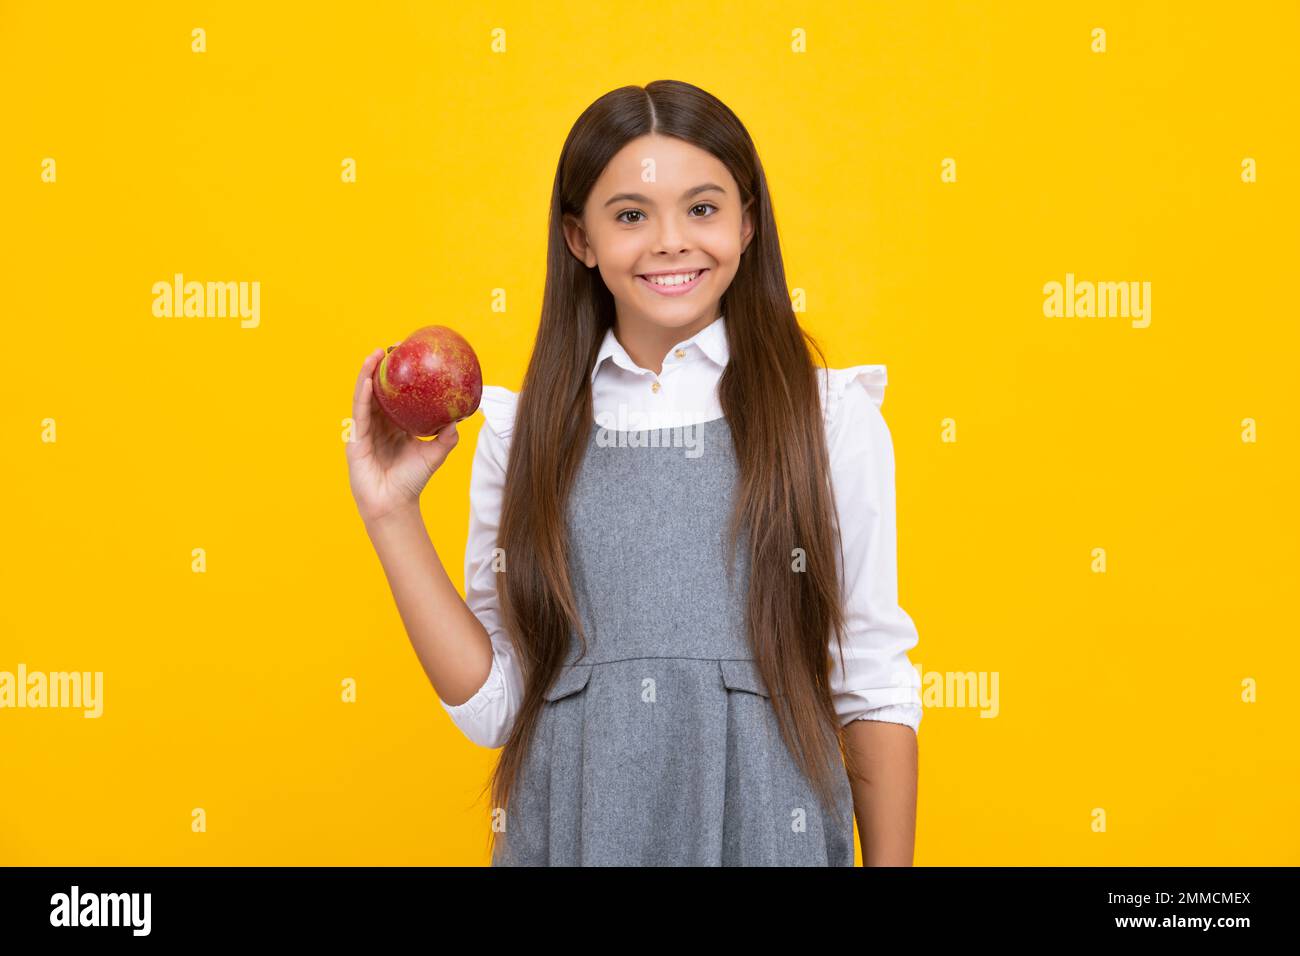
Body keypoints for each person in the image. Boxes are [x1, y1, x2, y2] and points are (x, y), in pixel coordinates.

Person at [347, 79, 922, 866]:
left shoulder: (827, 418)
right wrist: (391, 515)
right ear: (579, 238)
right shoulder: (524, 433)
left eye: (702, 208)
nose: (670, 242)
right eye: (629, 216)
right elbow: (496, 708)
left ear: (747, 224)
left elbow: (873, 685)